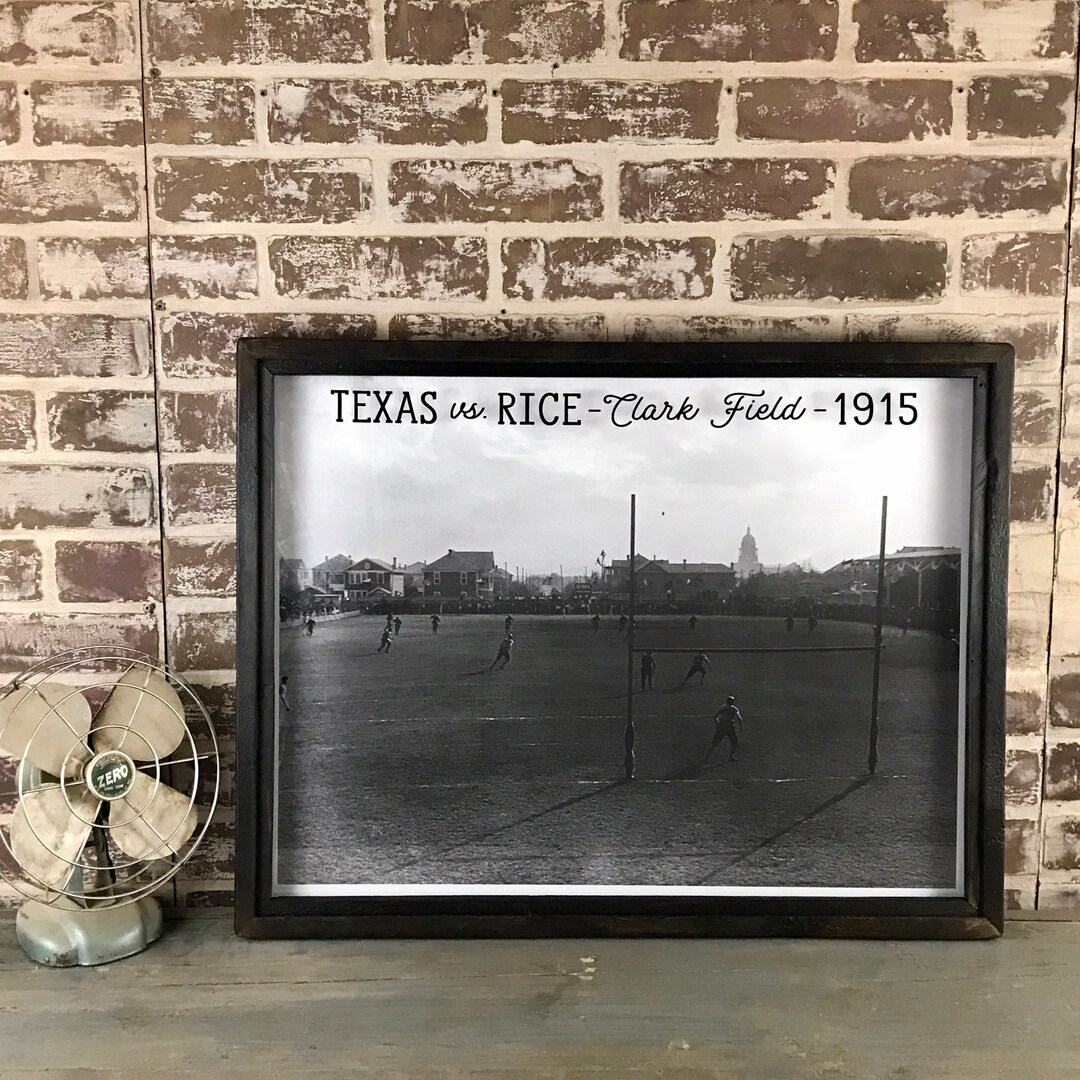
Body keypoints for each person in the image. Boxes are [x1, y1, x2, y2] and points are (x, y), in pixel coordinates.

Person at [705, 696, 743, 763]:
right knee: (734, 742)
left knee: (715, 742)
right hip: (730, 726)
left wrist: (718, 724)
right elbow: (739, 718)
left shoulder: (723, 708)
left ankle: (707, 755)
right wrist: (741, 727)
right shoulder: (734, 709)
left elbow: (715, 716)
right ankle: (731, 756)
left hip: (722, 726)